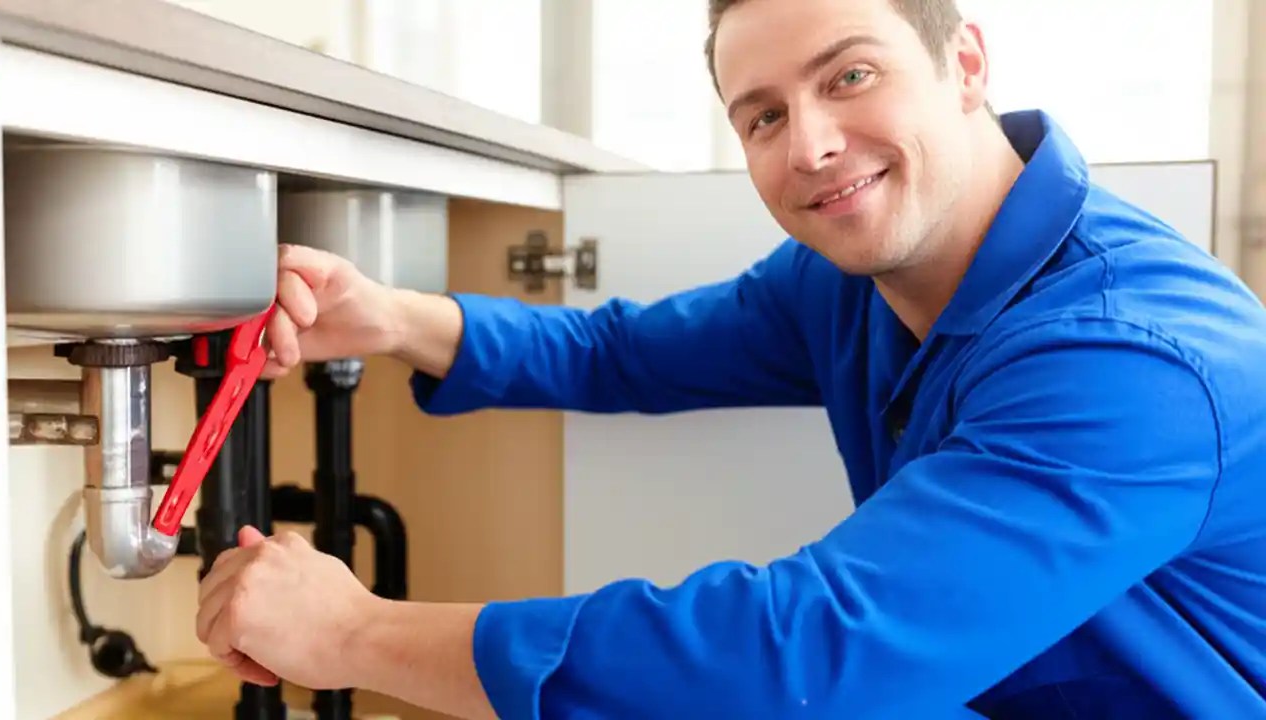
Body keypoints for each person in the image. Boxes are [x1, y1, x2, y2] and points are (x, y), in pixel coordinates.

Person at [194, 0, 1266, 717]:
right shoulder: (849, 281)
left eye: (848, 75)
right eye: (761, 115)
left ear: (965, 65)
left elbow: (806, 656)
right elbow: (626, 354)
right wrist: (392, 319)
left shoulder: (1128, 360)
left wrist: (355, 635)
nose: (807, 145)